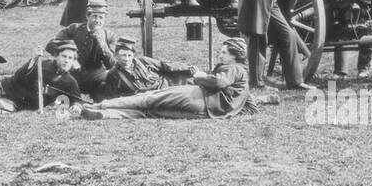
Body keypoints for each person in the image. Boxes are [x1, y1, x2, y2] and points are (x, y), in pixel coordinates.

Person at [80, 37, 250, 120]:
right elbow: (250, 104)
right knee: (151, 112)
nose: (220, 55)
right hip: (206, 113)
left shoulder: (234, 68)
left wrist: (199, 77)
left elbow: (219, 81)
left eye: (224, 53)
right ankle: (106, 114)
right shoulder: (241, 77)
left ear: (235, 56)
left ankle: (101, 106)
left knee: (149, 98)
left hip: (199, 97)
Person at [46, 0, 120, 94]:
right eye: (95, 16)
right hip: (71, 74)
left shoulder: (110, 36)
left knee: (111, 81)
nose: (98, 20)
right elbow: (50, 45)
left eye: (101, 17)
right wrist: (70, 58)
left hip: (96, 77)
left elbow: (111, 64)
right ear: (87, 16)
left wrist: (103, 44)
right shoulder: (74, 29)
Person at [95, 36, 197, 100]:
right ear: (116, 56)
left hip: (167, 84)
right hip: (152, 98)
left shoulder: (143, 61)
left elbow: (164, 65)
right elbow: (112, 97)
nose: (126, 59)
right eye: (123, 55)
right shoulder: (113, 75)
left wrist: (188, 68)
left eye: (129, 55)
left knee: (197, 82)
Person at [0, 42, 83, 111]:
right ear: (56, 56)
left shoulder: (70, 82)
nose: (66, 60)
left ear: (73, 61)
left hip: (15, 103)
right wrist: (34, 59)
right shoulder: (42, 64)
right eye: (64, 56)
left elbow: (77, 99)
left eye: (70, 58)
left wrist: (76, 106)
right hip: (4, 86)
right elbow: (18, 76)